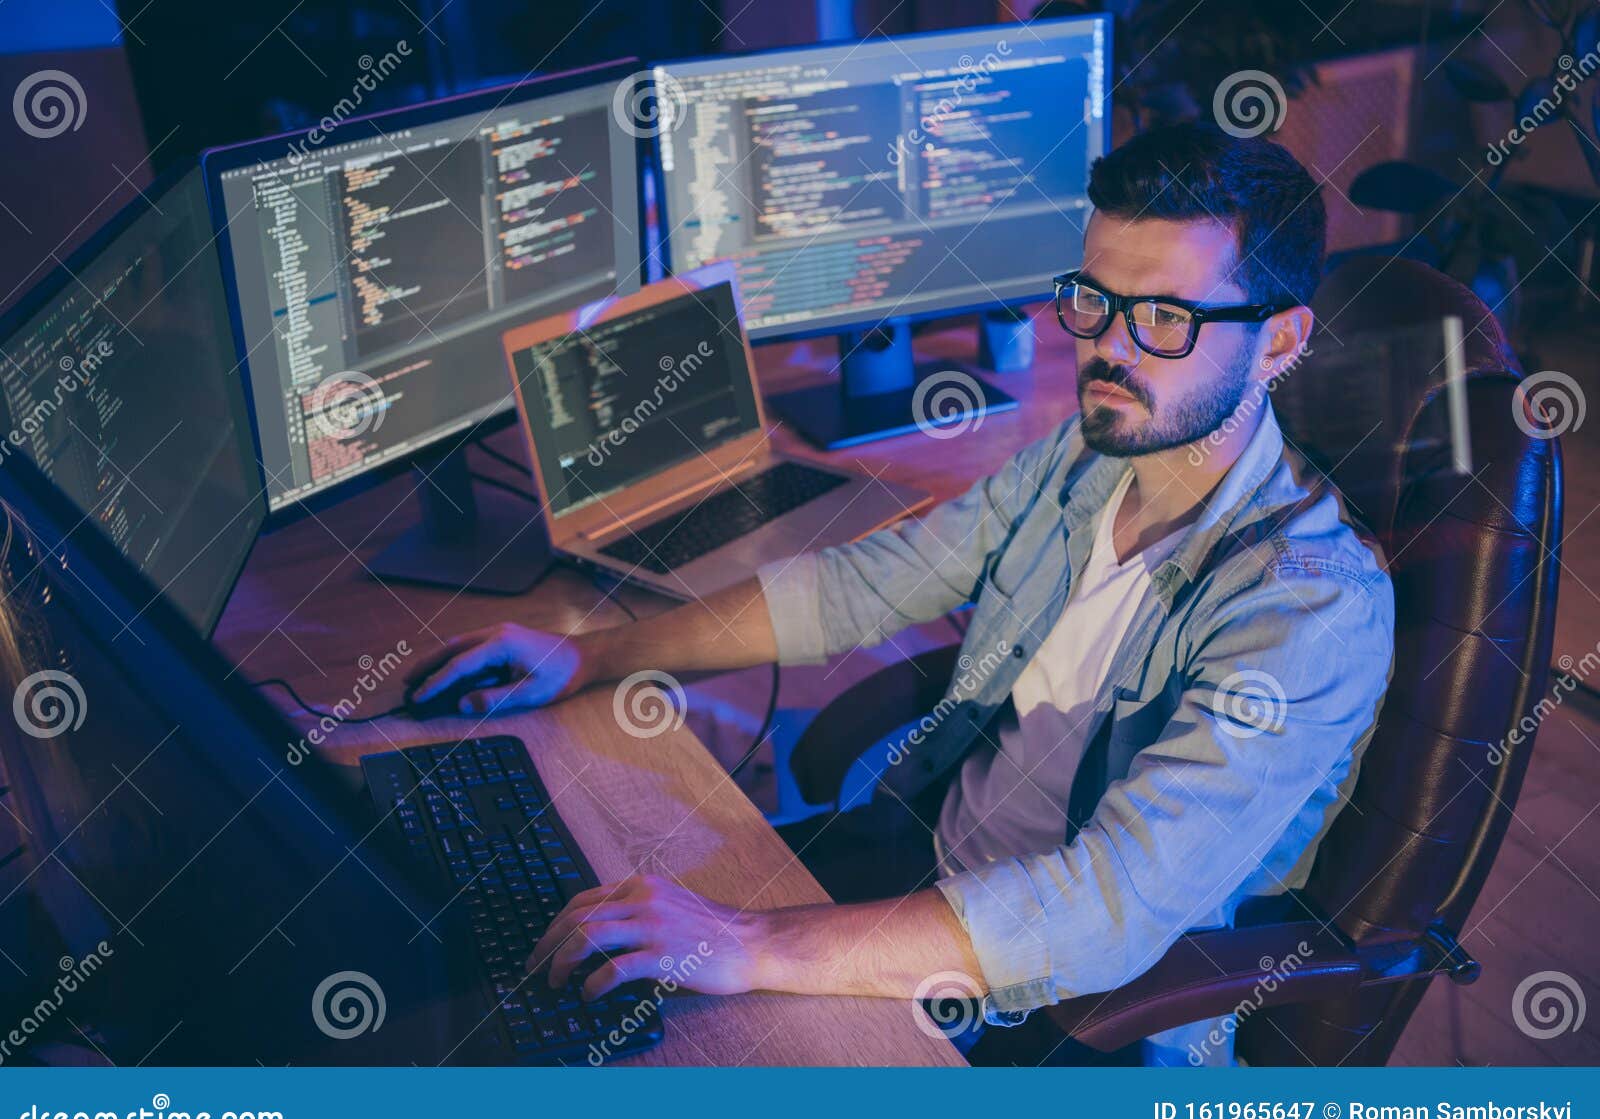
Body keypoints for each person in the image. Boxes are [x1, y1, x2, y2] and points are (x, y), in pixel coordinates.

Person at [409, 123, 1395, 1065]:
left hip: (1058, 1012)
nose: (1110, 351)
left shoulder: (1310, 609)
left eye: (1166, 318)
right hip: (917, 871)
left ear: (1277, 342)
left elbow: (1110, 907)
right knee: (533, 945)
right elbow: (866, 582)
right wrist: (593, 655)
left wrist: (749, 943)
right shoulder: (1092, 454)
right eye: (1092, 300)